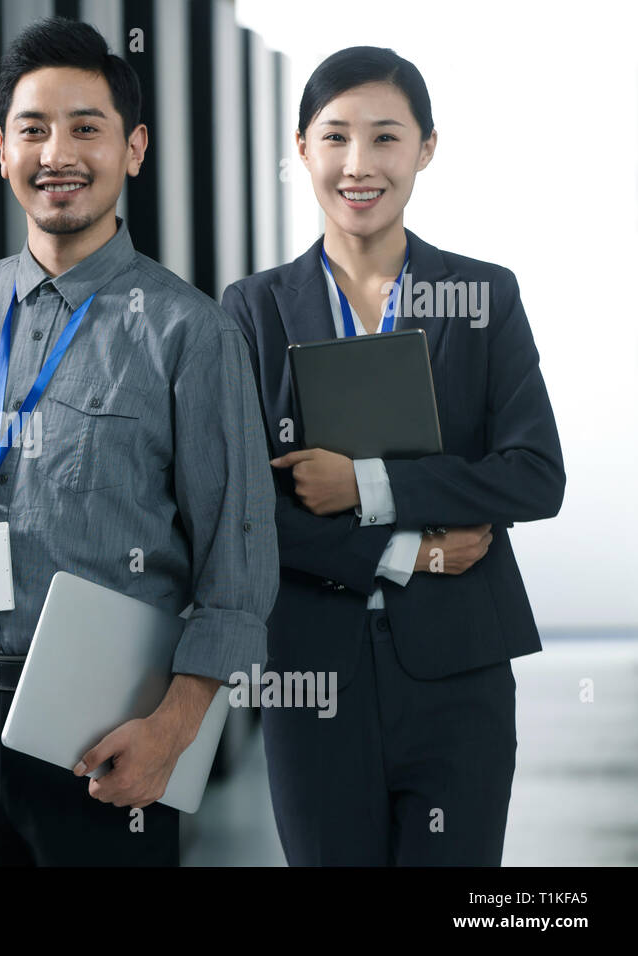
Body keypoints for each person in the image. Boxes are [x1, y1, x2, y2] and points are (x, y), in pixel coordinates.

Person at [0, 16, 277, 866]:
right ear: (4, 150)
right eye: (34, 128)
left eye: (87, 128)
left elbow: (236, 562)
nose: (59, 152)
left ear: (133, 148)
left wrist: (176, 727)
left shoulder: (190, 335)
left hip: (106, 726)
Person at [221, 46, 566, 866]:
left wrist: (365, 485)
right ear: (300, 148)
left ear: (426, 149)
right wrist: (410, 550)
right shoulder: (255, 311)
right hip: (313, 677)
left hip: (459, 674)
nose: (358, 164)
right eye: (335, 137)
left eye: (385, 138)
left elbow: (533, 474)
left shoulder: (484, 296)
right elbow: (244, 508)